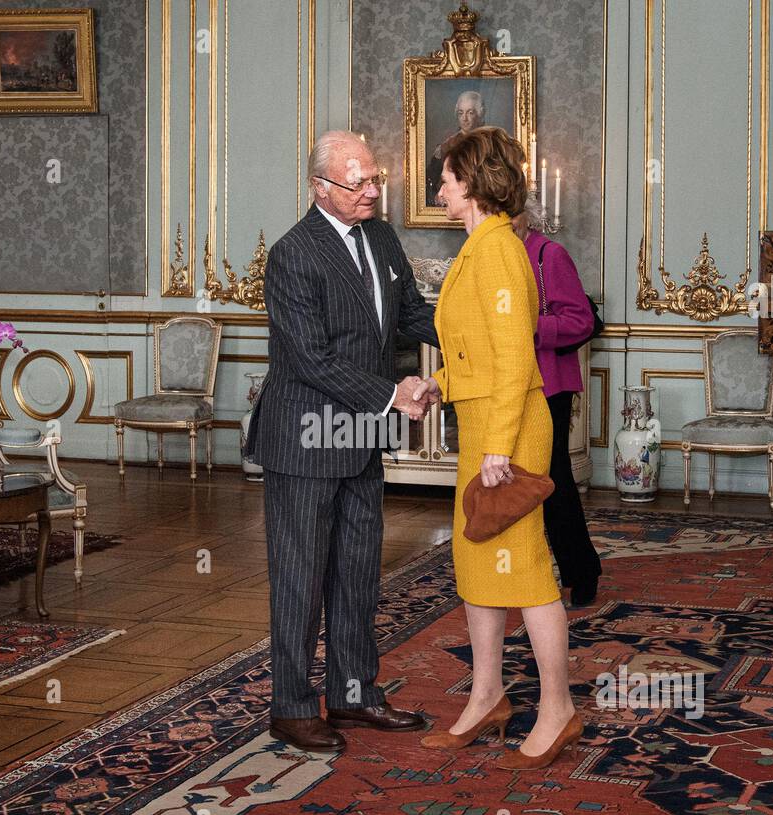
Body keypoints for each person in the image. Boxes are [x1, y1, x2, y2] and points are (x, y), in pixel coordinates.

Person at [244, 130, 441, 753]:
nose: (373, 191)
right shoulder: (293, 254)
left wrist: (481, 326)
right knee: (302, 578)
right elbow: (311, 358)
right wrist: (392, 396)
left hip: (361, 435)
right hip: (306, 436)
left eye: (375, 179)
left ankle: (354, 692)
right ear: (320, 188)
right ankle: (293, 705)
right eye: (358, 183)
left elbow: (410, 316)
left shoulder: (382, 236)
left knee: (358, 572)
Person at [414, 126, 582, 770]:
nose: (438, 188)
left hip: (508, 431)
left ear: (474, 183)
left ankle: (558, 710)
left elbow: (515, 361)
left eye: (447, 178)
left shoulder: (499, 252)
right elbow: (479, 354)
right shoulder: (476, 248)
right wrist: (439, 384)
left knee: (528, 569)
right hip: (485, 424)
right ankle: (486, 697)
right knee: (479, 561)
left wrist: (500, 446)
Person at [513, 197, 603, 607]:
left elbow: (582, 321)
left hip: (549, 385)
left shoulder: (550, 254)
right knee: (514, 482)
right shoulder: (489, 253)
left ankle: (581, 568)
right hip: (508, 384)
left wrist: (530, 327)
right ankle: (518, 572)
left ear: (524, 213)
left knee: (553, 481)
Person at [426, 91, 484, 206]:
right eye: (460, 113)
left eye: (470, 113)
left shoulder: (491, 143)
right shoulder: (446, 146)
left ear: (479, 114)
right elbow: (431, 181)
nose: (465, 118)